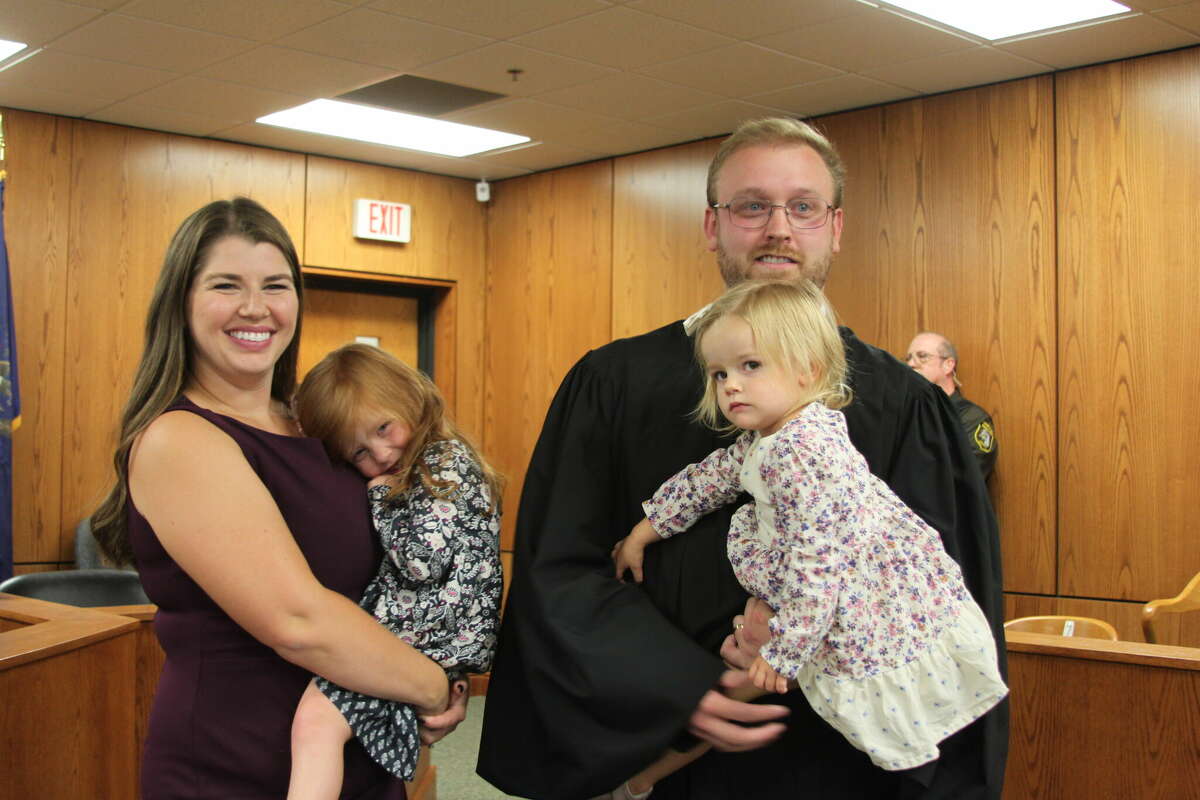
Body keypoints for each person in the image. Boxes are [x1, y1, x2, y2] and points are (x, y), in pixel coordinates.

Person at [478, 117, 1007, 800]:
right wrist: (673, 686)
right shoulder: (614, 383)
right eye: (751, 206)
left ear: (835, 227)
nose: (778, 228)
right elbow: (561, 566)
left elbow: (941, 591)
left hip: (839, 766)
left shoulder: (906, 406)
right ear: (712, 227)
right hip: (663, 747)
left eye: (803, 206)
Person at [90, 197, 466, 799]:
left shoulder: (313, 426)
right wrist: (428, 682)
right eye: (225, 285)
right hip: (237, 766)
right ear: (180, 304)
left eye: (276, 285)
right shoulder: (179, 438)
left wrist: (437, 670)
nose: (255, 307)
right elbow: (297, 622)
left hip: (360, 752)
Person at [603, 280, 1006, 799]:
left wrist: (786, 650)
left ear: (807, 369)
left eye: (750, 366)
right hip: (817, 590)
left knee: (747, 686)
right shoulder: (778, 435)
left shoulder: (803, 452)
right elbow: (712, 476)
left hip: (847, 596)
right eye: (719, 372)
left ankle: (642, 776)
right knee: (735, 686)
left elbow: (820, 561)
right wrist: (644, 530)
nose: (730, 385)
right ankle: (646, 774)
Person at [287, 344, 503, 799]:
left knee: (315, 723)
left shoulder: (444, 464)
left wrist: (379, 499)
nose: (382, 454)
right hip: (435, 633)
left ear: (409, 397)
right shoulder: (439, 461)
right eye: (360, 453)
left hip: (426, 631)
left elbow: (422, 561)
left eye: (384, 428)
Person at [905, 331, 997, 480]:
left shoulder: (971, 418)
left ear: (948, 365)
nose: (911, 364)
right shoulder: (906, 414)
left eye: (922, 356)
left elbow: (966, 478)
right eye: (908, 358)